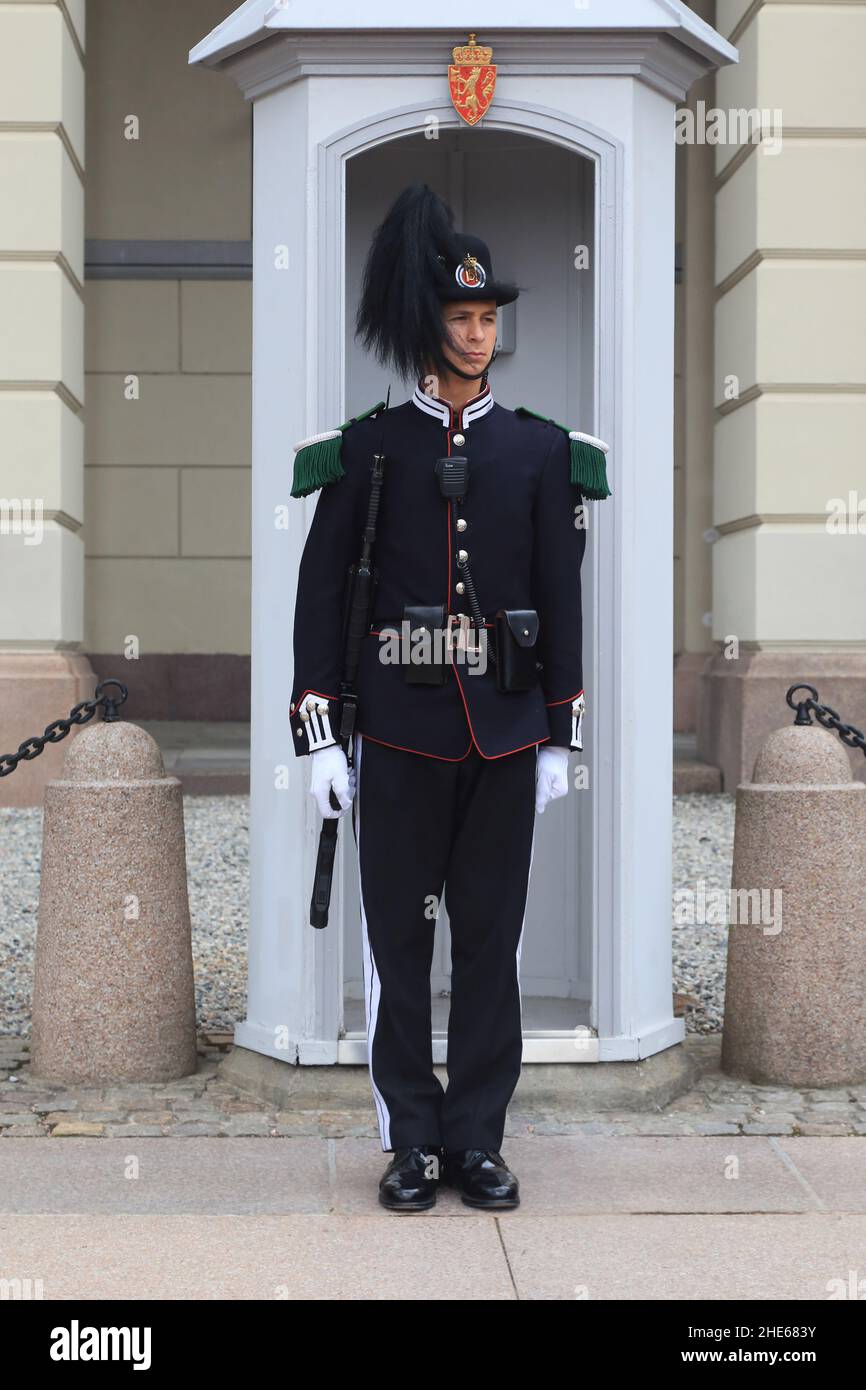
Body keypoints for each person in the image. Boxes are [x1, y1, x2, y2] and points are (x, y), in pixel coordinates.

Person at [288, 183, 611, 1212]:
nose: (477, 333)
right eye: (460, 318)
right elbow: (322, 598)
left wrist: (559, 729)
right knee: (395, 946)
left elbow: (558, 595)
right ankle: (408, 1139)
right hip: (398, 733)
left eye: (487, 318)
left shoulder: (537, 448)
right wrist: (320, 737)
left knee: (489, 943)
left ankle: (476, 1137)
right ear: (424, 326)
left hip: (505, 735)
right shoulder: (369, 450)